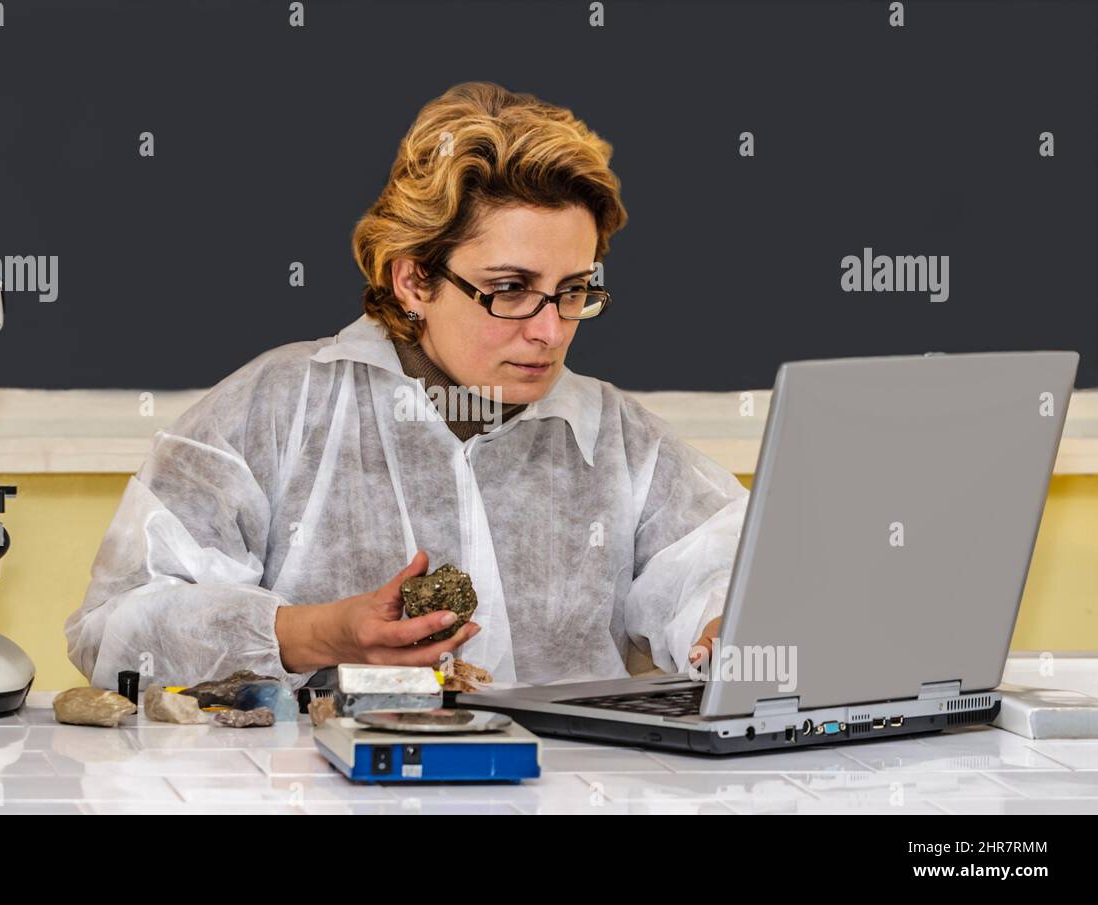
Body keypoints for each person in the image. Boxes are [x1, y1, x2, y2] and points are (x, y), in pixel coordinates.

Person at [65, 82, 748, 692]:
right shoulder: (277, 410)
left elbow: (721, 572)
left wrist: (728, 629)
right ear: (414, 279)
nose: (549, 331)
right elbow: (112, 631)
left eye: (572, 291)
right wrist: (321, 632)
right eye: (510, 290)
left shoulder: (619, 439)